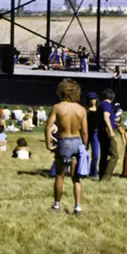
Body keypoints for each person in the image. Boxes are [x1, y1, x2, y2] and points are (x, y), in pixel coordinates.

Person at [45, 79, 88, 215]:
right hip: (76, 141)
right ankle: (77, 206)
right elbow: (85, 132)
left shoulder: (57, 107)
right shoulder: (81, 109)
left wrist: (48, 144)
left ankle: (57, 204)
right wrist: (85, 146)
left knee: (60, 175)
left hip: (64, 141)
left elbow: (48, 128)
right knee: (76, 177)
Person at [97, 88, 119, 181]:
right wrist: (111, 130)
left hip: (100, 130)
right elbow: (106, 117)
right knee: (115, 155)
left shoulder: (100, 104)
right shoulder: (107, 105)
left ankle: (101, 175)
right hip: (107, 130)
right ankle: (106, 176)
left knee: (104, 154)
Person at [85, 92, 101, 179]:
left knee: (95, 154)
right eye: (91, 99)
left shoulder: (99, 110)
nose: (93, 101)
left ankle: (93, 172)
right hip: (86, 133)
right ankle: (84, 170)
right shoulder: (85, 110)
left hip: (96, 133)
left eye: (94, 99)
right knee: (84, 153)